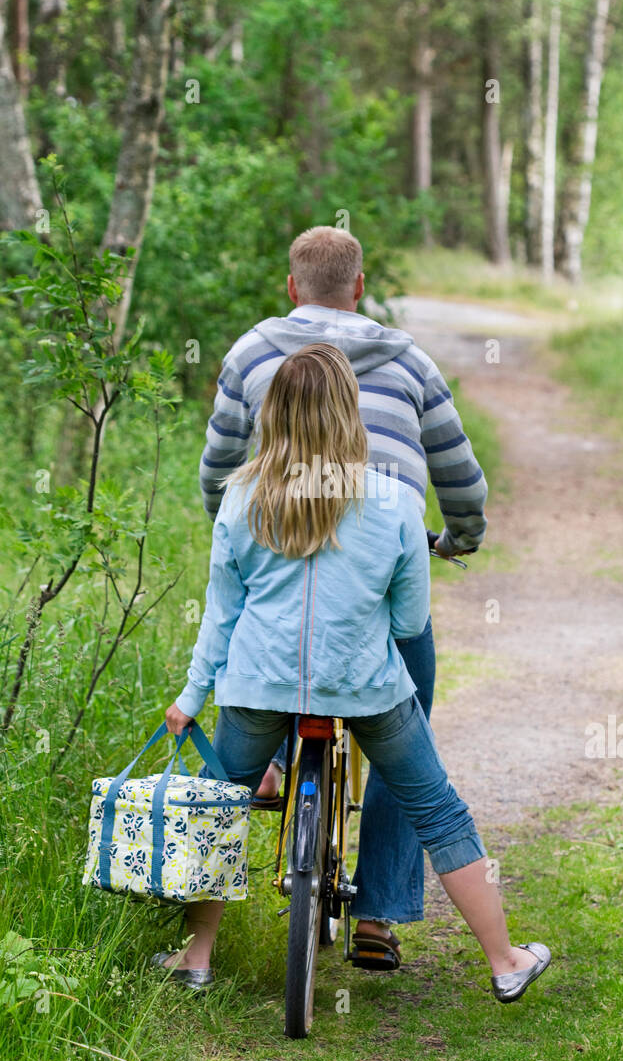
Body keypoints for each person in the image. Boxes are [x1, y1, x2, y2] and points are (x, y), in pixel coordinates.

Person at [161, 343, 550, 1004]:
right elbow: (406, 623)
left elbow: (221, 616)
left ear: (273, 415)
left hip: (258, 686)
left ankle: (195, 956)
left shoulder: (241, 499)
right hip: (366, 686)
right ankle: (505, 960)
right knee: (437, 810)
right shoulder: (393, 501)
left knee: (217, 806)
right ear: (349, 413)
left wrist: (190, 695)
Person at [197, 225, 488, 969]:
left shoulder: (252, 353)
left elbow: (219, 464)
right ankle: (380, 914)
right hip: (378, 554)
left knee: (271, 649)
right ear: (359, 287)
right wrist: (459, 536)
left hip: (274, 556)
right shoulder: (410, 358)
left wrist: (243, 529)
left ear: (292, 286)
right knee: (403, 731)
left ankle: (268, 770)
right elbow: (458, 471)